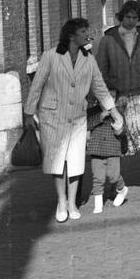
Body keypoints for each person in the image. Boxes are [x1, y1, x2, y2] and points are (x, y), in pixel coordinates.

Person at [23, 18, 122, 223]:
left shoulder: (89, 59)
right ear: (71, 35)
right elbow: (37, 85)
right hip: (52, 116)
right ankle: (61, 201)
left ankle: (71, 203)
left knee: (76, 162)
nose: (88, 34)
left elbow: (100, 87)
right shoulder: (50, 56)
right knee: (57, 161)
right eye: (84, 31)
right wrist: (28, 114)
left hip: (77, 117)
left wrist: (114, 111)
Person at [93, 0, 140, 200]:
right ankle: (116, 185)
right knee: (116, 144)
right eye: (128, 17)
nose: (131, 21)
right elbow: (100, 71)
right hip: (118, 99)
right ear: (121, 16)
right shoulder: (108, 39)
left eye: (135, 17)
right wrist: (105, 100)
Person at [86, 91, 127, 213]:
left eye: (112, 97)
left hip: (113, 150)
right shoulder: (93, 111)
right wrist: (100, 117)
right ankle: (98, 205)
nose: (109, 99)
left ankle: (122, 189)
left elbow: (124, 131)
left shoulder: (118, 112)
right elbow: (87, 125)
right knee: (98, 178)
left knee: (113, 176)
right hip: (96, 149)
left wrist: (118, 129)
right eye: (106, 96)